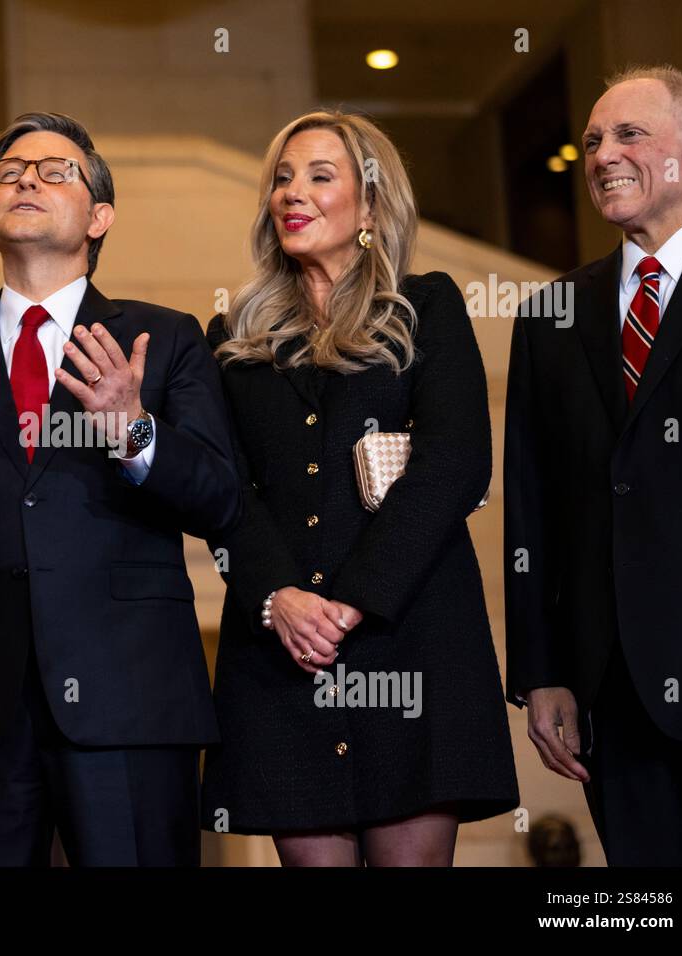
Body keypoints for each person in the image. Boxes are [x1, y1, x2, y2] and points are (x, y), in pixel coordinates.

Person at [0, 111, 240, 866]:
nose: (26, 179)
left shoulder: (166, 338)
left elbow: (220, 498)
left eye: (55, 171)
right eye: (9, 172)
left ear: (99, 216)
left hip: (129, 696)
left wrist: (134, 430)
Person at [202, 110, 518, 866]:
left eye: (318, 176)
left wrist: (350, 602)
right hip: (286, 657)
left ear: (370, 207)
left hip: (406, 642)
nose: (291, 193)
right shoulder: (232, 342)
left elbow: (456, 463)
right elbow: (223, 491)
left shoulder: (428, 307)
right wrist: (278, 598)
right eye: (281, 178)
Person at [505, 65, 682, 865]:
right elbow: (531, 506)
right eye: (592, 139)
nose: (602, 154)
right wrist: (541, 673)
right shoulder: (549, 316)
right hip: (613, 692)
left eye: (629, 133)